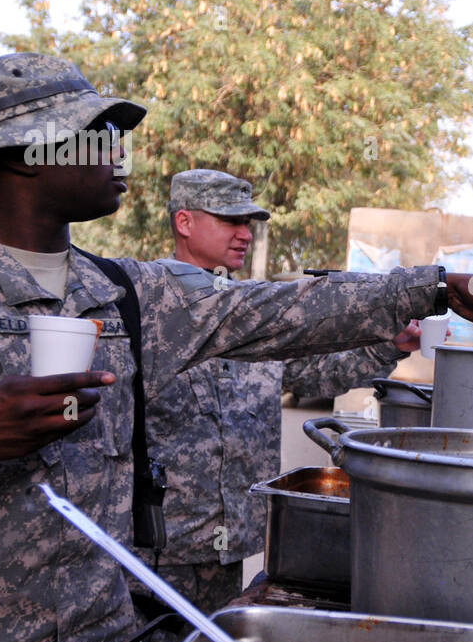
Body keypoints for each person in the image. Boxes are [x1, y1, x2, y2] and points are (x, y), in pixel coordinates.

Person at [0, 52, 473, 642]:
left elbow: (283, 310)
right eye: (95, 132)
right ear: (28, 156)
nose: (118, 150)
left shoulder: (134, 296)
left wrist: (434, 285)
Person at [138, 169, 419, 614]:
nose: (244, 234)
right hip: (154, 557)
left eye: (248, 223)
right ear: (184, 222)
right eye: (230, 221)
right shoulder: (144, 306)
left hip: (228, 549)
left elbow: (315, 377)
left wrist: (389, 346)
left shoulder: (255, 316)